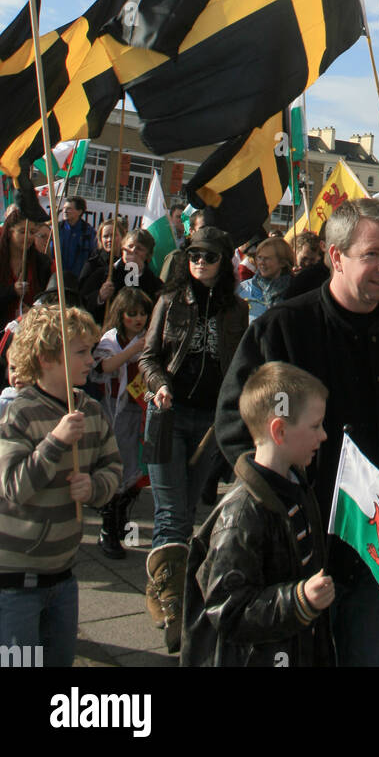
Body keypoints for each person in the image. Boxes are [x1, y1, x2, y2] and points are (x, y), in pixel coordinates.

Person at [215, 198, 379, 668]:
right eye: (372, 254)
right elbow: (236, 426)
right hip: (298, 557)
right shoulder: (283, 331)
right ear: (336, 256)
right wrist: (282, 507)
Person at [181, 361, 334, 667]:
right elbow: (229, 610)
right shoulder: (241, 516)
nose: (324, 436)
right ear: (279, 430)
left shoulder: (296, 488)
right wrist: (298, 600)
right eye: (315, 426)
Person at [140, 226, 249, 653]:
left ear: (224, 263)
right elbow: (149, 355)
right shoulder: (169, 301)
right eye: (194, 255)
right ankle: (172, 604)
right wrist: (160, 383)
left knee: (186, 508)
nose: (200, 262)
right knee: (171, 513)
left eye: (209, 256)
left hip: (209, 423)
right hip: (166, 415)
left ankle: (169, 592)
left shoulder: (237, 310)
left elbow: (239, 362)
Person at [0, 303, 121, 666]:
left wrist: (96, 487)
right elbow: (14, 487)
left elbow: (114, 465)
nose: (91, 359)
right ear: (47, 357)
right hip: (16, 581)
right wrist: (54, 442)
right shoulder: (20, 413)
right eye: (81, 352)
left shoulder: (92, 410)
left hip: (64, 576)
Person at [93, 287, 153, 558]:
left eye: (142, 314)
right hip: (116, 410)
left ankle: (119, 521)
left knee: (137, 470)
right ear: (121, 315)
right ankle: (107, 529)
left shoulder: (149, 337)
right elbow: (103, 368)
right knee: (117, 466)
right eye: (132, 314)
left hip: (141, 410)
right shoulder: (110, 341)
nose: (138, 319)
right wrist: (132, 350)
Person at [0, 209, 52, 328]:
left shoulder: (42, 262)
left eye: (32, 232)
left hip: (28, 330)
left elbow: (48, 299)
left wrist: (33, 311)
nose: (28, 237)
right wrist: (11, 291)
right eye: (22, 232)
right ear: (9, 232)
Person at [77, 219, 128, 318]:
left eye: (113, 235)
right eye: (105, 236)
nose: (109, 239)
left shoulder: (129, 264)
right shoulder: (92, 265)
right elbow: (81, 297)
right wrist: (99, 296)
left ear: (122, 237)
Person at [238, 237, 293, 320]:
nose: (261, 262)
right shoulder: (242, 290)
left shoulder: (296, 291)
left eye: (267, 258)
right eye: (259, 257)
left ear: (282, 262)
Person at [55, 197, 98, 281]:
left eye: (69, 209)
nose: (65, 211)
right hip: (58, 278)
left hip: (79, 280)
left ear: (79, 211)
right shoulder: (57, 229)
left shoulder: (88, 232)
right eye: (64, 208)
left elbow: (94, 256)